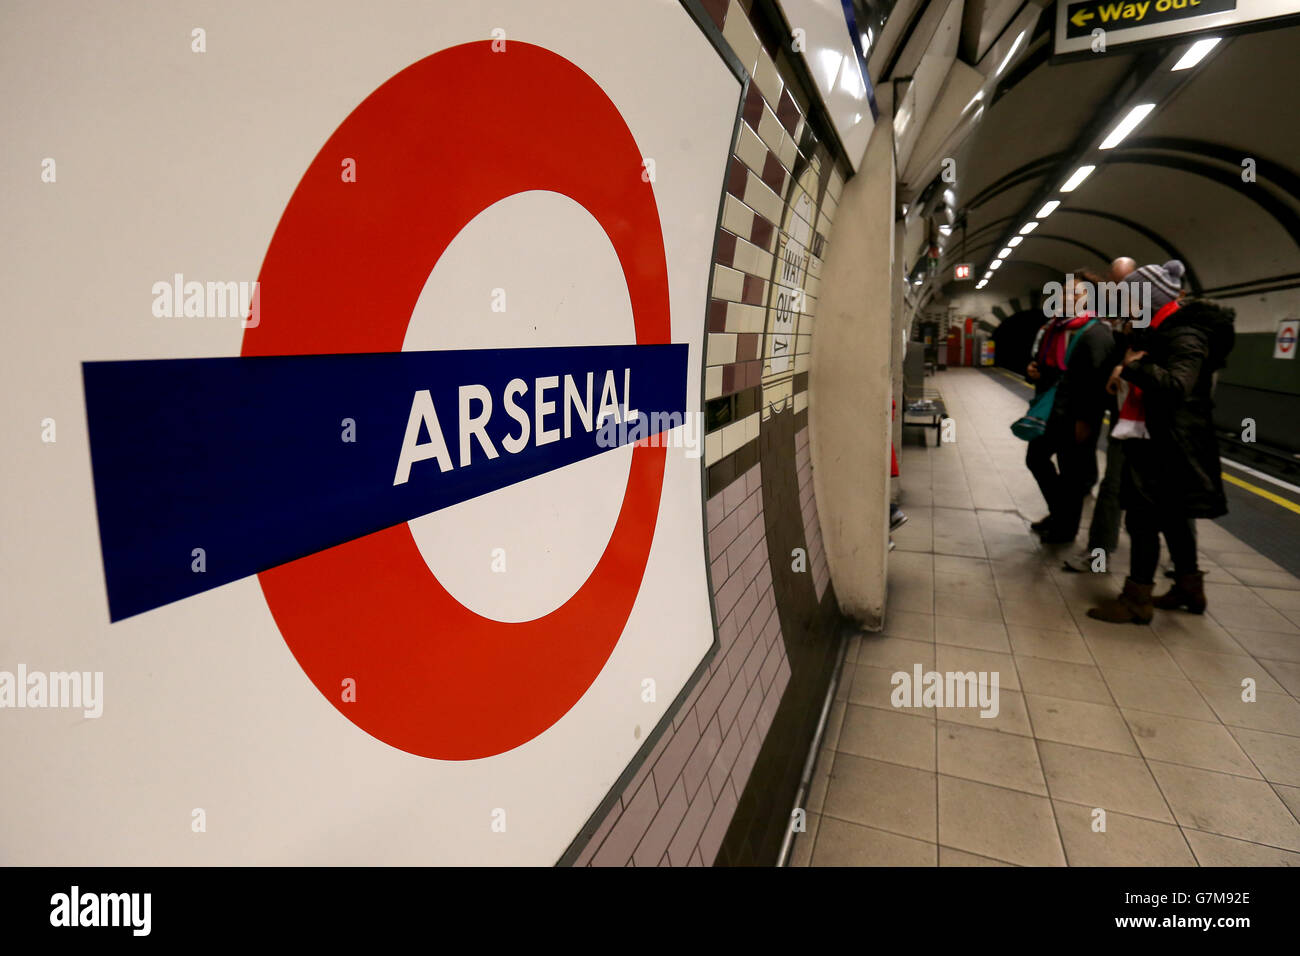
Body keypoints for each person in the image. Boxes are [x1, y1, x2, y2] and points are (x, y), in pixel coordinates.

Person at [1088, 261, 1235, 623]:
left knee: (1143, 519)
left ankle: (1137, 599)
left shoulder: (1184, 335)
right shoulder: (1160, 329)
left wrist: (1133, 368)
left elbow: (1175, 386)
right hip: (1166, 439)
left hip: (1168, 443)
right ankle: (1189, 588)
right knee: (1173, 518)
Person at [1028, 270, 1114, 544]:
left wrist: (1086, 421)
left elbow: (1096, 383)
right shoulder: (1053, 328)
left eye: (1075, 293)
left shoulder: (1097, 334)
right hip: (1051, 410)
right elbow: (1051, 366)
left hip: (1076, 417)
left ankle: (1065, 530)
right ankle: (1059, 513)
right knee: (1036, 459)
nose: (1066, 297)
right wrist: (1034, 370)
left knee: (1072, 475)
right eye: (1064, 292)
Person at [1063, 257, 1138, 571]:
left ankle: (1183, 568)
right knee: (1117, 488)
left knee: (1118, 489)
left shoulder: (1150, 327)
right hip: (1127, 416)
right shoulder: (1122, 323)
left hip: (1140, 420)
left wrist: (1127, 366)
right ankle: (1182, 569)